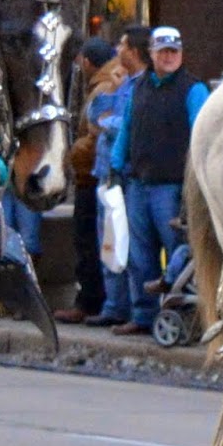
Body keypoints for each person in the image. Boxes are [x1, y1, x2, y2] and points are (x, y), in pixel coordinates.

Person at [109, 26, 209, 335]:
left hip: (173, 184)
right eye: (162, 52)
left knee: (178, 252)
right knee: (140, 254)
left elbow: (201, 134)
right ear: (151, 54)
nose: (168, 57)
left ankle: (183, 313)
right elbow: (126, 126)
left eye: (173, 52)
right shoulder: (138, 87)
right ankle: (143, 315)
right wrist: (116, 162)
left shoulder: (193, 89)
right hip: (138, 181)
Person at [84, 25, 151, 328]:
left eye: (122, 44)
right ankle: (114, 306)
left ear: (134, 51)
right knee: (108, 242)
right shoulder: (121, 83)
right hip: (105, 171)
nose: (117, 49)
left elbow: (123, 124)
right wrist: (110, 91)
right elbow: (94, 116)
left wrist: (109, 122)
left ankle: (137, 310)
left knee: (132, 246)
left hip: (125, 175)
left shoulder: (143, 85)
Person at [56, 37, 122, 325]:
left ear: (87, 61)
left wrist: (70, 155)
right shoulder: (106, 81)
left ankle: (91, 300)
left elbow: (97, 134)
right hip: (93, 171)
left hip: (92, 173)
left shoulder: (103, 86)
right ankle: (98, 299)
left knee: (90, 240)